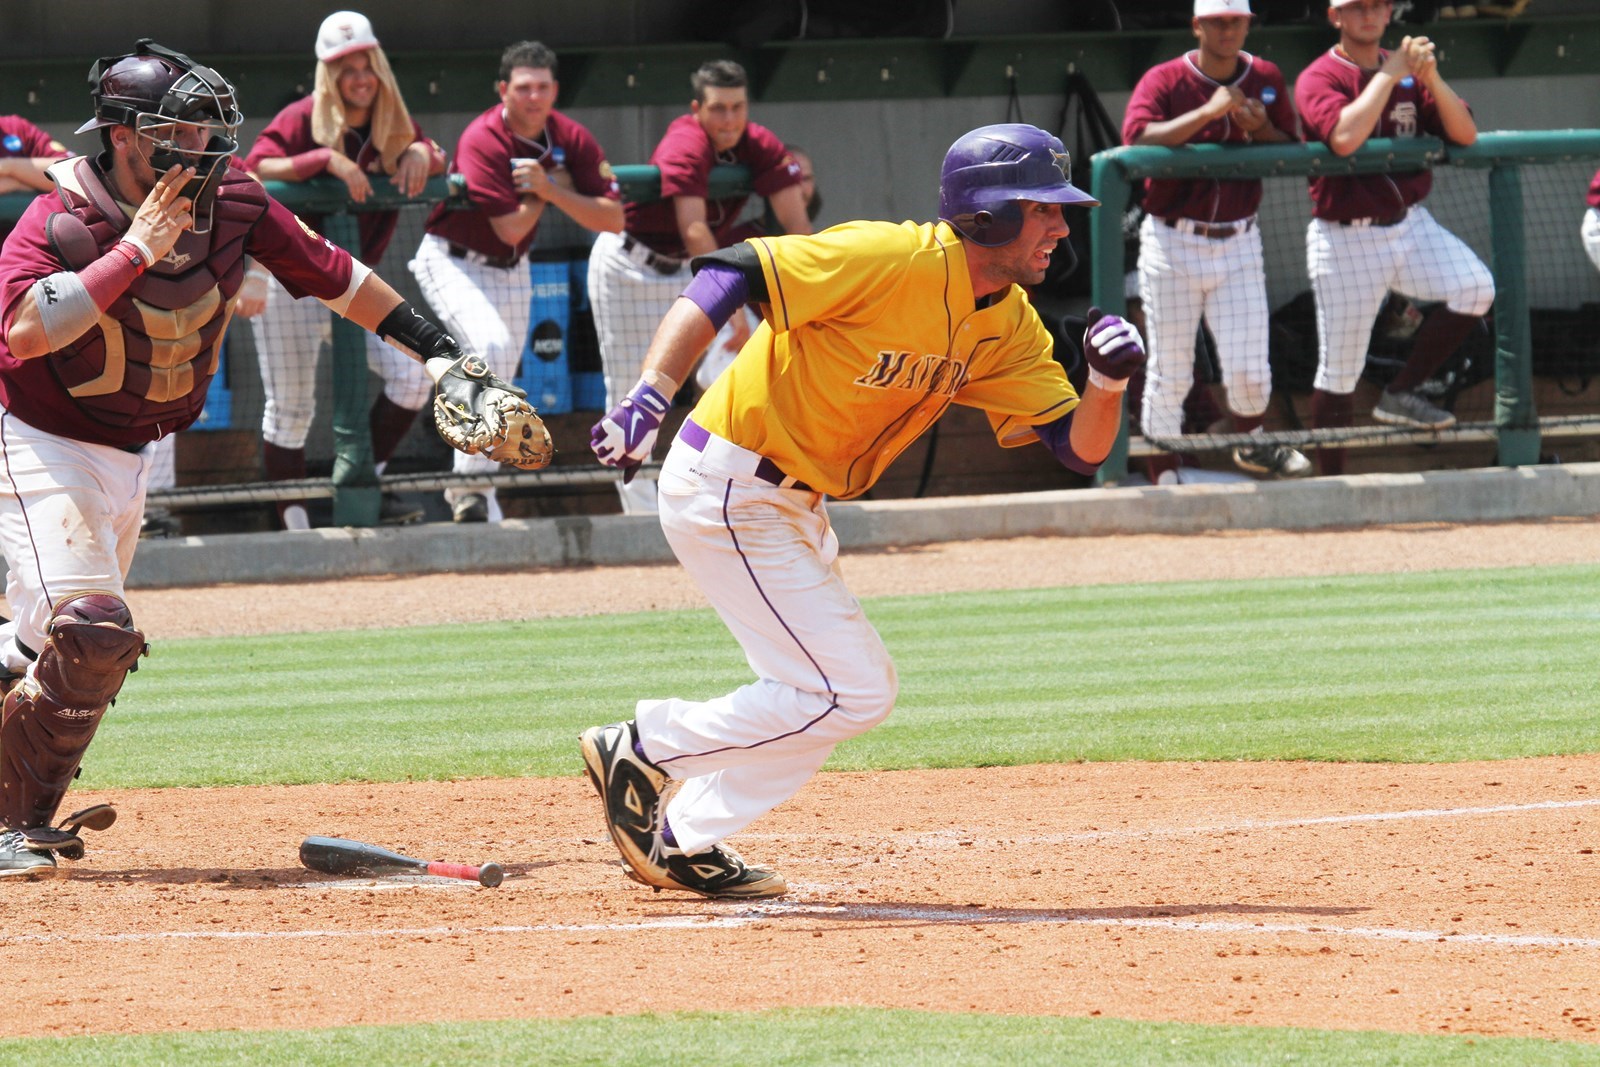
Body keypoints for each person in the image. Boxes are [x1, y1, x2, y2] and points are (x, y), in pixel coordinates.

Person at [579, 123, 1146, 899]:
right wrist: (651, 392)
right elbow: (732, 271)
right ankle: (645, 747)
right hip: (730, 481)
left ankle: (681, 834)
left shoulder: (1009, 322)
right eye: (1042, 207)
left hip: (792, 504)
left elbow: (1078, 449)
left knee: (822, 696)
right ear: (988, 214)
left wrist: (1108, 385)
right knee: (853, 688)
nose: (1059, 224)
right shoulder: (890, 256)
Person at [0, 39, 494, 876]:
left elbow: (337, 275)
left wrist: (441, 352)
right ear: (122, 136)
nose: (200, 150)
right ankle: (14, 823)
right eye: (179, 133)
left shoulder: (231, 198)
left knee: (35, 644)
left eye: (207, 131)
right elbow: (23, 330)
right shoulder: (61, 220)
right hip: (42, 442)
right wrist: (136, 252)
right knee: (91, 632)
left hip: (138, 451)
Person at [242, 11, 447, 530]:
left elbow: (435, 156)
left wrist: (424, 151)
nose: (360, 79)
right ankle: (292, 523)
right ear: (328, 75)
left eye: (366, 67)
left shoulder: (394, 122)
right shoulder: (302, 117)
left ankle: (365, 482)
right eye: (346, 69)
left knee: (411, 374)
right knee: (290, 408)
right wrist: (324, 161)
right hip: (290, 283)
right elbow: (256, 168)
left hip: (352, 284)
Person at [586, 59, 812, 515]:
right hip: (632, 267)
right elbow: (694, 231)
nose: (729, 119)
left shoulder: (758, 142)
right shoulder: (685, 140)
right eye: (718, 109)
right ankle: (640, 513)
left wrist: (817, 293)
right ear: (698, 108)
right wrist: (734, 315)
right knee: (635, 387)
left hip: (686, 272)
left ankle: (720, 486)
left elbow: (796, 224)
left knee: (742, 358)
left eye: (737, 107)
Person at [410, 40, 622, 524]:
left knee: (501, 371)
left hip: (512, 268)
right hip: (453, 259)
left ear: (555, 90)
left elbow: (612, 218)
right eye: (523, 87)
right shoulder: (483, 136)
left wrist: (547, 188)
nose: (533, 97)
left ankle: (478, 493)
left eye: (543, 87)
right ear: (503, 89)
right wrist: (557, 190)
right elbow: (511, 226)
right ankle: (467, 488)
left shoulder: (570, 135)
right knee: (488, 345)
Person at [1297, 0, 1494, 474]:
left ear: (1389, 14)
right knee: (1340, 371)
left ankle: (1402, 390)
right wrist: (1391, 73)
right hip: (1345, 239)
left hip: (1408, 225)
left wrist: (1429, 79)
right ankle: (1330, 486)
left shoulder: (1407, 73)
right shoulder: (1319, 76)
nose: (1368, 15)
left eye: (1377, 6)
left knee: (1476, 286)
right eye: (1356, 7)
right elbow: (1343, 139)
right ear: (1335, 16)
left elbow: (1465, 133)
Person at [1123, 0, 1310, 485]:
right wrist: (1207, 112)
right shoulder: (1165, 79)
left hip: (1238, 239)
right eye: (1217, 20)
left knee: (1250, 369)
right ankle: (1164, 476)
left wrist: (1259, 128)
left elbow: (1293, 146)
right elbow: (1138, 139)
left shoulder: (1265, 75)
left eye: (1236, 20)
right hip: (1172, 240)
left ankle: (1253, 445)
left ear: (1248, 23)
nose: (1228, 29)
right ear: (1197, 26)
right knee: (1171, 372)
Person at [0, 115, 71, 244]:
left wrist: (9, 168)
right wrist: (29, 180)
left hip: (22, 250)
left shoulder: (14, 127)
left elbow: (69, 170)